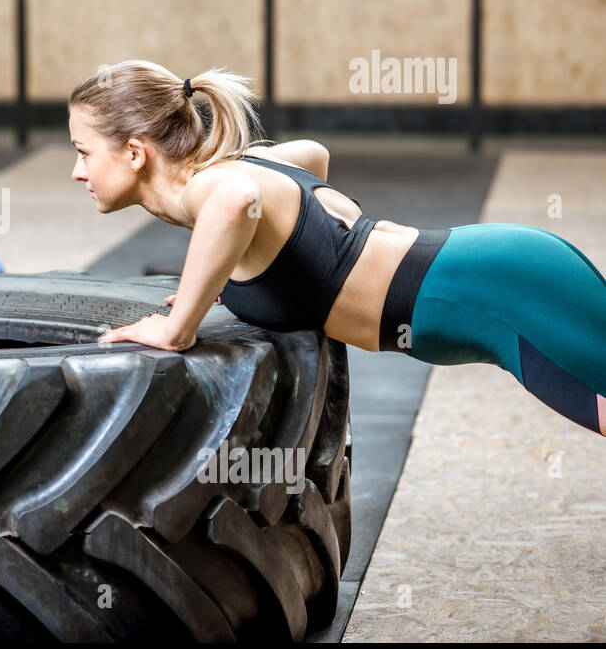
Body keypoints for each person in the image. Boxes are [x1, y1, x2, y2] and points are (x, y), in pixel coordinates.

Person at [70, 59, 606, 436]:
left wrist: (177, 325)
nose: (78, 172)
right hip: (499, 274)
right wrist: (229, 277)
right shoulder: (233, 169)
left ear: (135, 153)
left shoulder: (211, 187)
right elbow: (311, 155)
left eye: (83, 152)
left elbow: (236, 204)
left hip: (495, 291)